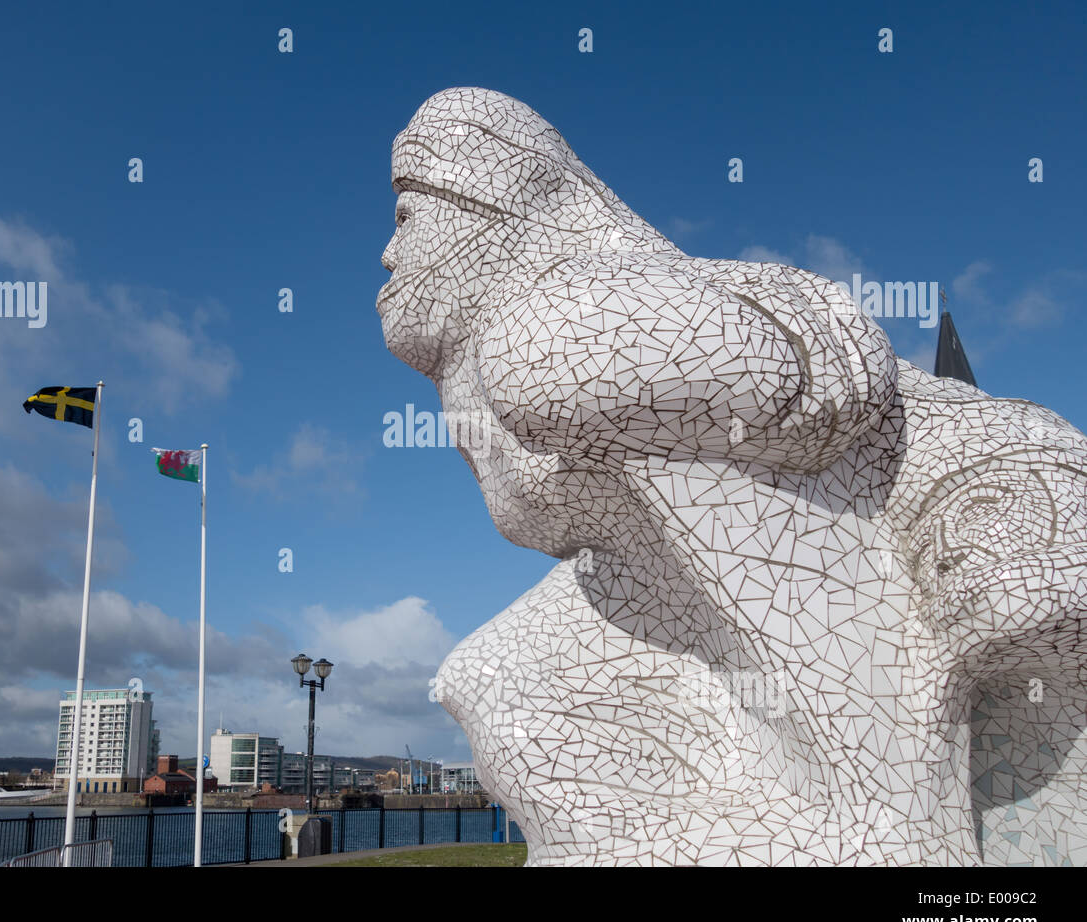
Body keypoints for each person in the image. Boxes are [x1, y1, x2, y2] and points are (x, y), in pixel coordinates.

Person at [379, 87, 1087, 865]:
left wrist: (885, 806)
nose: (388, 251)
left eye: (408, 218)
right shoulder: (506, 370)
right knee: (497, 678)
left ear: (492, 206)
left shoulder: (565, 316)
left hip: (967, 514)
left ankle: (891, 836)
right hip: (715, 588)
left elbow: (788, 497)